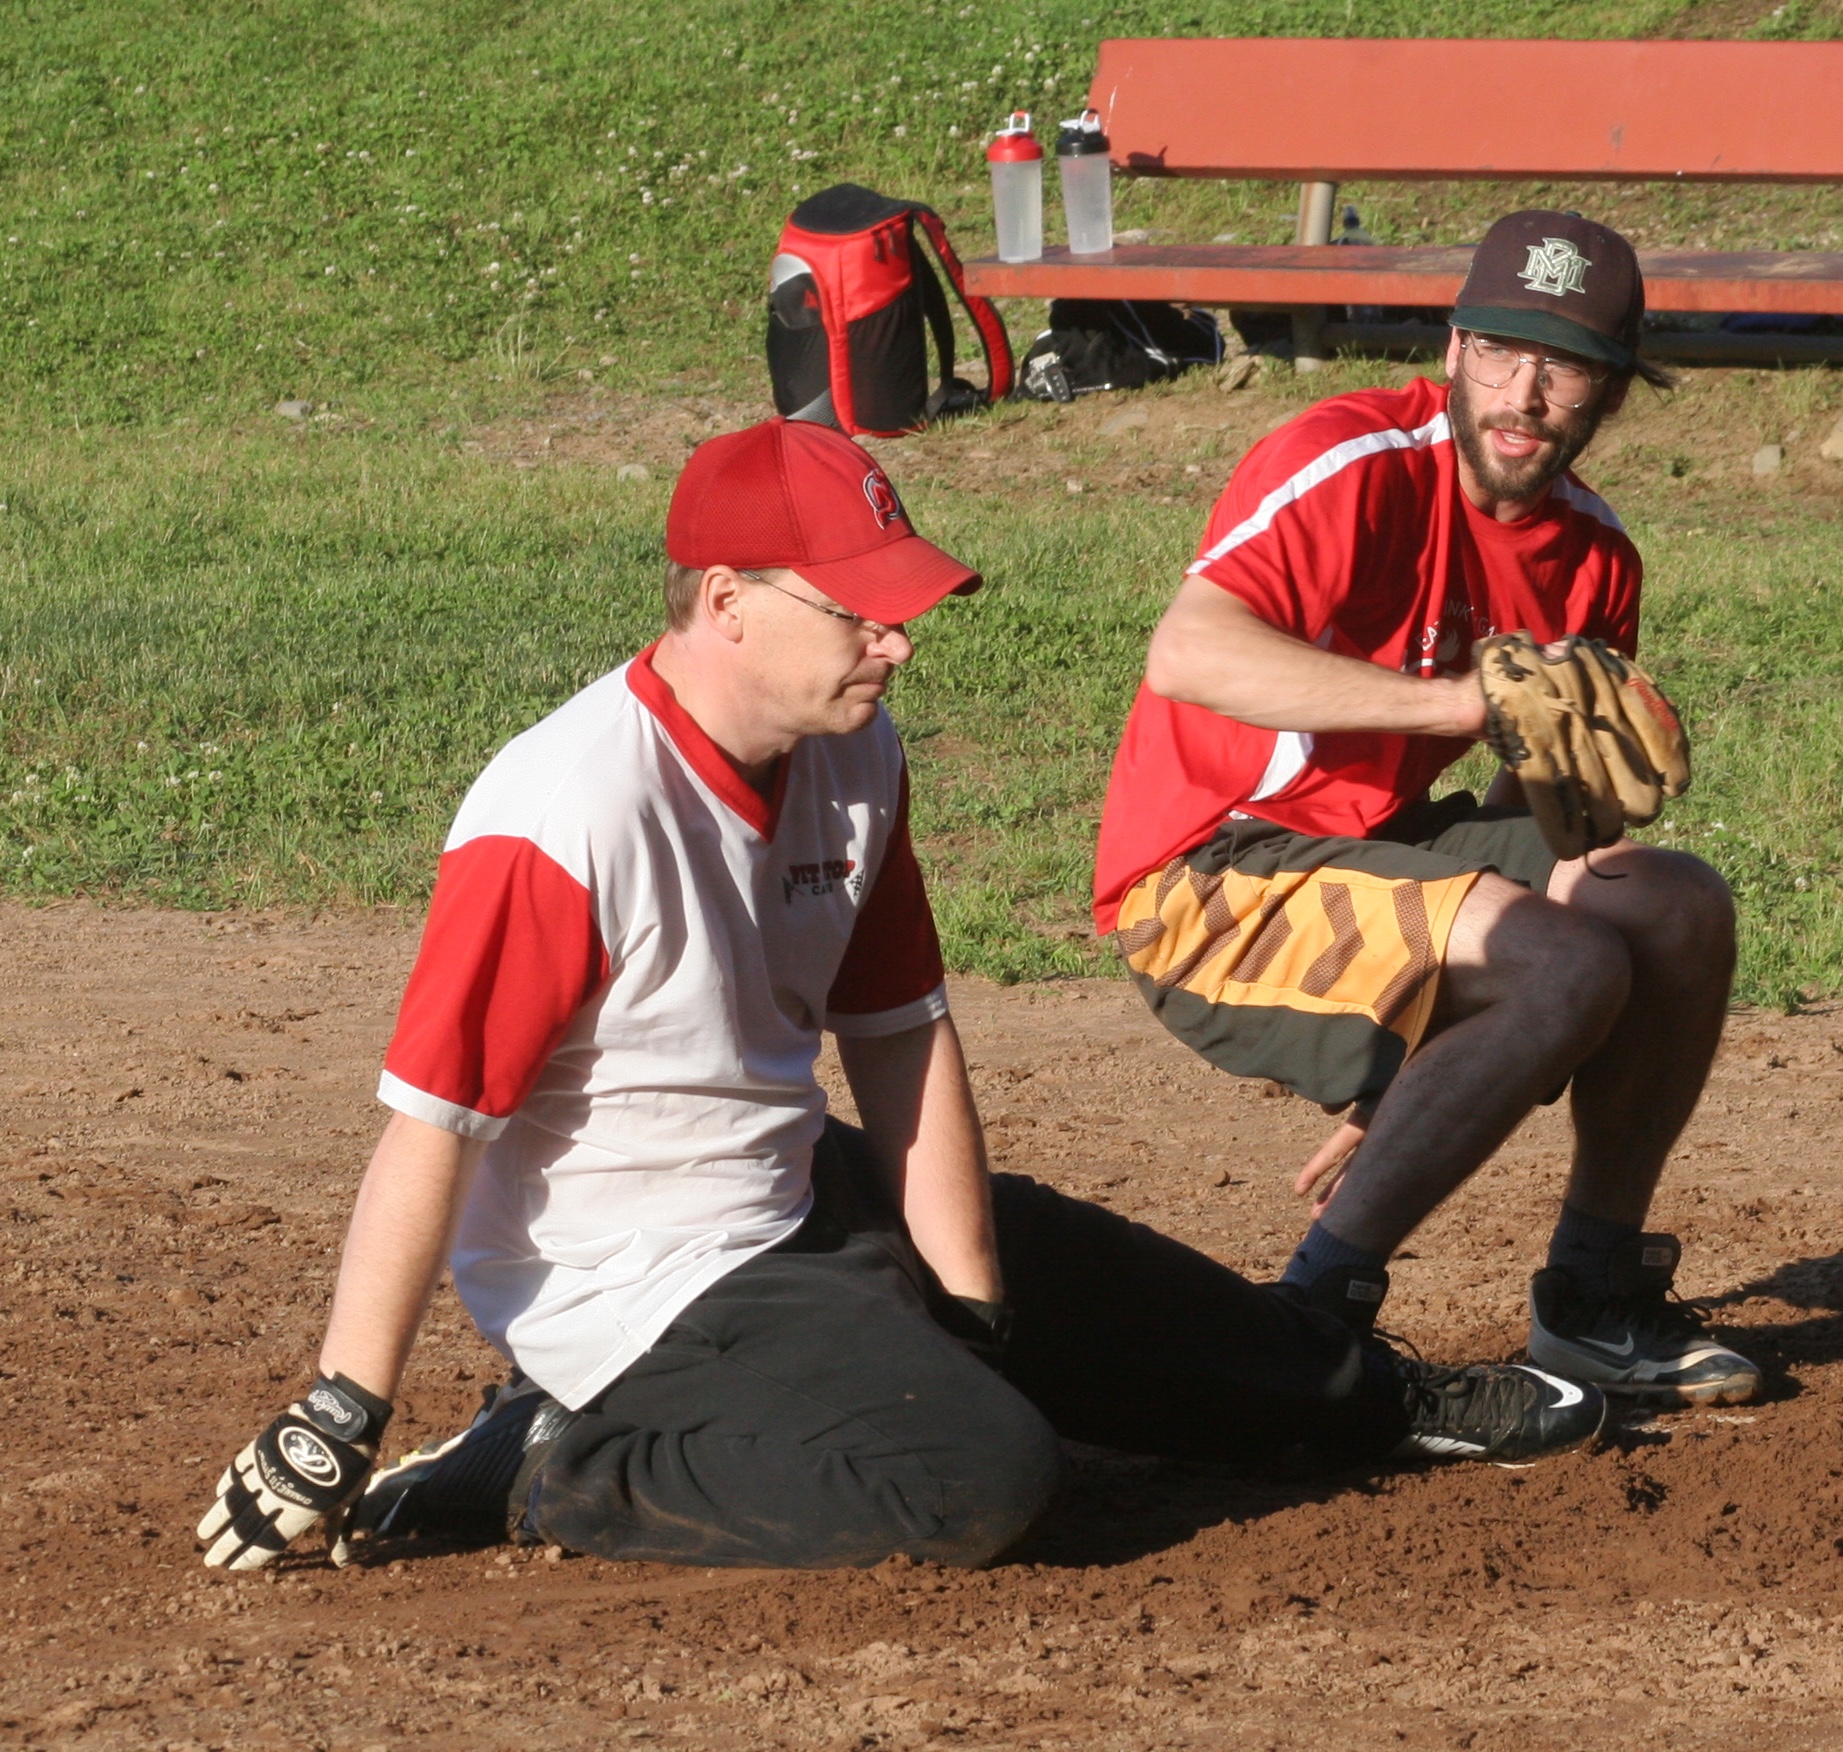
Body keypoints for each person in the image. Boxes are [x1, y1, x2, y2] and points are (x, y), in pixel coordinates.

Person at [197, 417, 1606, 1576]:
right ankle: (557, 1459)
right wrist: (341, 1413)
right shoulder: (565, 812)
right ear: (729, 602)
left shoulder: (850, 760)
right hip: (639, 1284)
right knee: (978, 1476)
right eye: (857, 611)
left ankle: (1377, 1403)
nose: (898, 642)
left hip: (798, 1193)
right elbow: (433, 1124)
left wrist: (977, 1305)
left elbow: (900, 1041)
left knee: (1126, 1302)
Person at [1095, 210, 1758, 1409]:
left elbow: (1543, 810)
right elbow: (1187, 652)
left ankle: (1594, 1297)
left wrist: (1438, 1054)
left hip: (1375, 859)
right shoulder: (1347, 459)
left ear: (1609, 390)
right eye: (1500, 353)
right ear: (1451, 349)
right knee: (1555, 964)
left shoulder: (1594, 555)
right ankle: (1313, 1315)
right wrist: (1456, 707)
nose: (1524, 394)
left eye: (1563, 367)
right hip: (1206, 872)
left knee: (1669, 907)